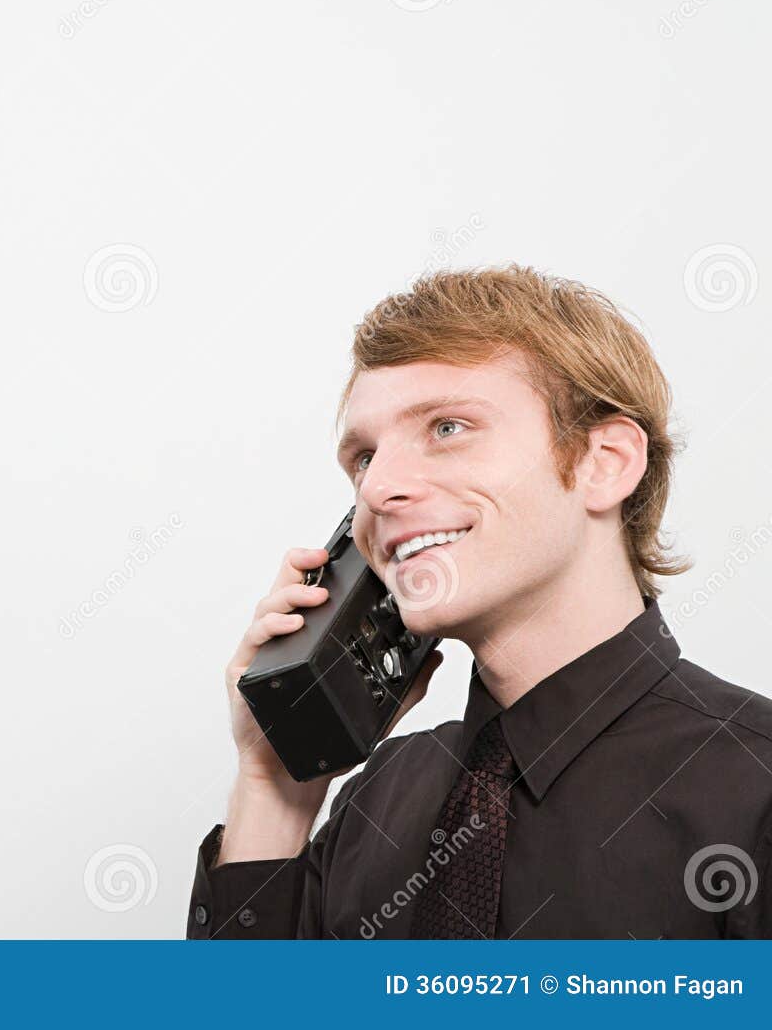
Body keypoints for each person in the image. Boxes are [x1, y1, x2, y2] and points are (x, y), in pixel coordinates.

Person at [189, 265, 772, 939]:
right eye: (365, 457)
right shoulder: (373, 804)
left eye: (447, 427)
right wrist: (274, 786)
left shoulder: (754, 791)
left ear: (605, 462)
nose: (376, 490)